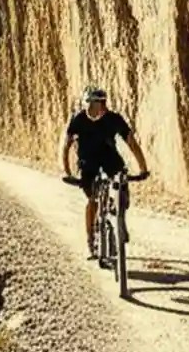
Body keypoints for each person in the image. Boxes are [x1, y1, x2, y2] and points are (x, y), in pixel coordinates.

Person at [61, 86, 149, 258]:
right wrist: (68, 172)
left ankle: (119, 218)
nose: (101, 106)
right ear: (88, 104)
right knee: (92, 199)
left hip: (110, 158)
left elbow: (131, 143)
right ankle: (91, 238)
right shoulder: (78, 120)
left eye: (103, 102)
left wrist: (143, 168)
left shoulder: (113, 119)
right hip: (88, 162)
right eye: (96, 103)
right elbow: (66, 146)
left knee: (121, 182)